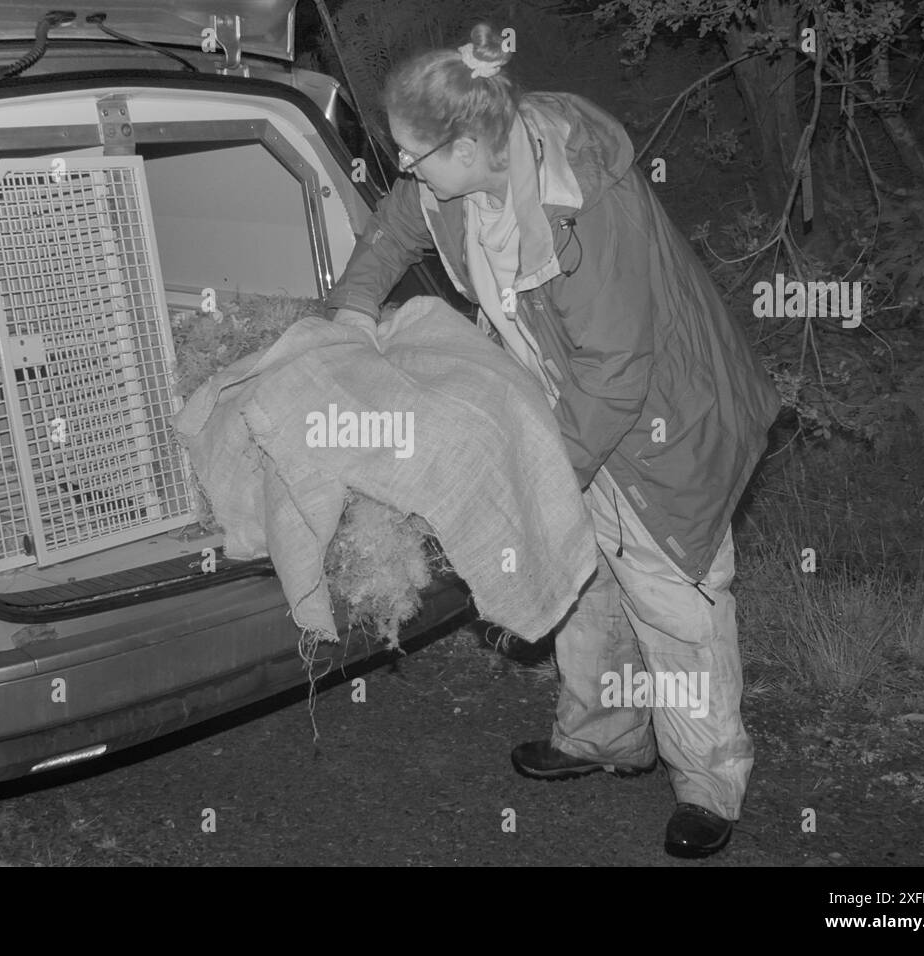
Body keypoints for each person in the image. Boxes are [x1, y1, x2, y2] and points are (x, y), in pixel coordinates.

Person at [324, 23, 781, 858]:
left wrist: (542, 477)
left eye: (412, 152)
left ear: (469, 144)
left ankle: (710, 780)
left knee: (674, 602)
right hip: (565, 408)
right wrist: (356, 306)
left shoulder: (589, 211)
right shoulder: (451, 185)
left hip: (661, 428)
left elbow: (615, 375)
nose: (403, 166)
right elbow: (394, 229)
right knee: (579, 579)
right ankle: (606, 737)